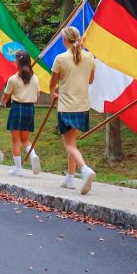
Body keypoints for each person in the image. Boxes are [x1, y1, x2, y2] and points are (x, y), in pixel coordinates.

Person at [49, 26, 96, 194]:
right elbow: (90, 79)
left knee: (68, 144)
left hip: (67, 106)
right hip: (82, 105)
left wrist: (52, 93)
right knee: (73, 141)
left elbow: (53, 82)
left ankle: (84, 170)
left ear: (64, 40)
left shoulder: (60, 58)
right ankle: (70, 178)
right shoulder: (89, 56)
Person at [1, 51, 42, 176]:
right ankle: (33, 155)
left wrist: (2, 104)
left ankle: (18, 169)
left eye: (15, 59)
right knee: (25, 139)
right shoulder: (35, 78)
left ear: (18, 62)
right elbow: (38, 94)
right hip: (30, 109)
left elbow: (6, 96)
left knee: (15, 141)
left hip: (17, 108)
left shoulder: (13, 79)